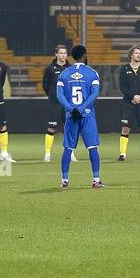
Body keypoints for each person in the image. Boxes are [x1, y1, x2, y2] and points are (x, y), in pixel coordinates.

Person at [58, 45, 103, 188]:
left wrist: (71, 109)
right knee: (93, 147)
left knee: (68, 148)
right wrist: (82, 108)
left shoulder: (64, 74)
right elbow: (94, 93)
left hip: (71, 116)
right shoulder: (92, 73)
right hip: (87, 115)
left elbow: (59, 95)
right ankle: (96, 179)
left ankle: (64, 180)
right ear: (84, 56)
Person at [118, 45, 140, 161]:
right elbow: (122, 87)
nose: (138, 55)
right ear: (131, 55)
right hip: (128, 103)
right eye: (136, 53)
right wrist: (132, 97)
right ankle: (122, 154)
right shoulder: (124, 69)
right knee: (126, 128)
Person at [41, 44, 72, 163]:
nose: (63, 55)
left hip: (68, 104)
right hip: (55, 103)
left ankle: (71, 153)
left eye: (65, 53)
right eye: (61, 53)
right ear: (56, 54)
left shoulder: (70, 68)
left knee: (69, 128)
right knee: (51, 127)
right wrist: (52, 95)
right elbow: (45, 84)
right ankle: (47, 154)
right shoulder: (50, 68)